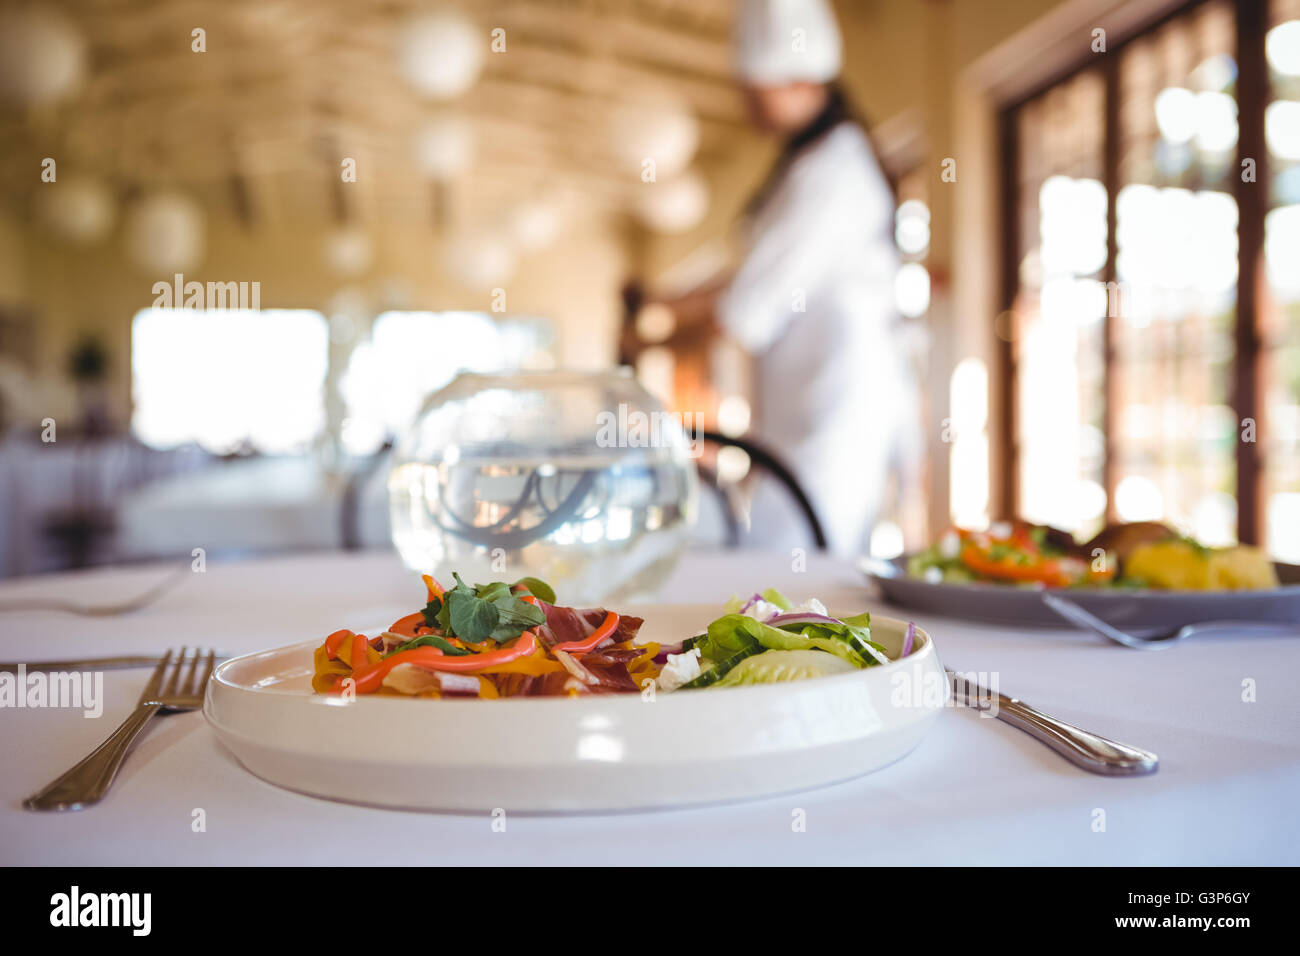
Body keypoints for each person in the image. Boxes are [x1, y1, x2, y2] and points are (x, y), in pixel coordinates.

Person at [628, 0, 915, 557]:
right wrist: (661, 302)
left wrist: (650, 341)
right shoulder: (803, 166)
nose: (746, 105)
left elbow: (742, 313)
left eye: (755, 92)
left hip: (833, 411)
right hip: (795, 411)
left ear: (802, 80)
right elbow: (746, 277)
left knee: (798, 568)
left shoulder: (833, 173)